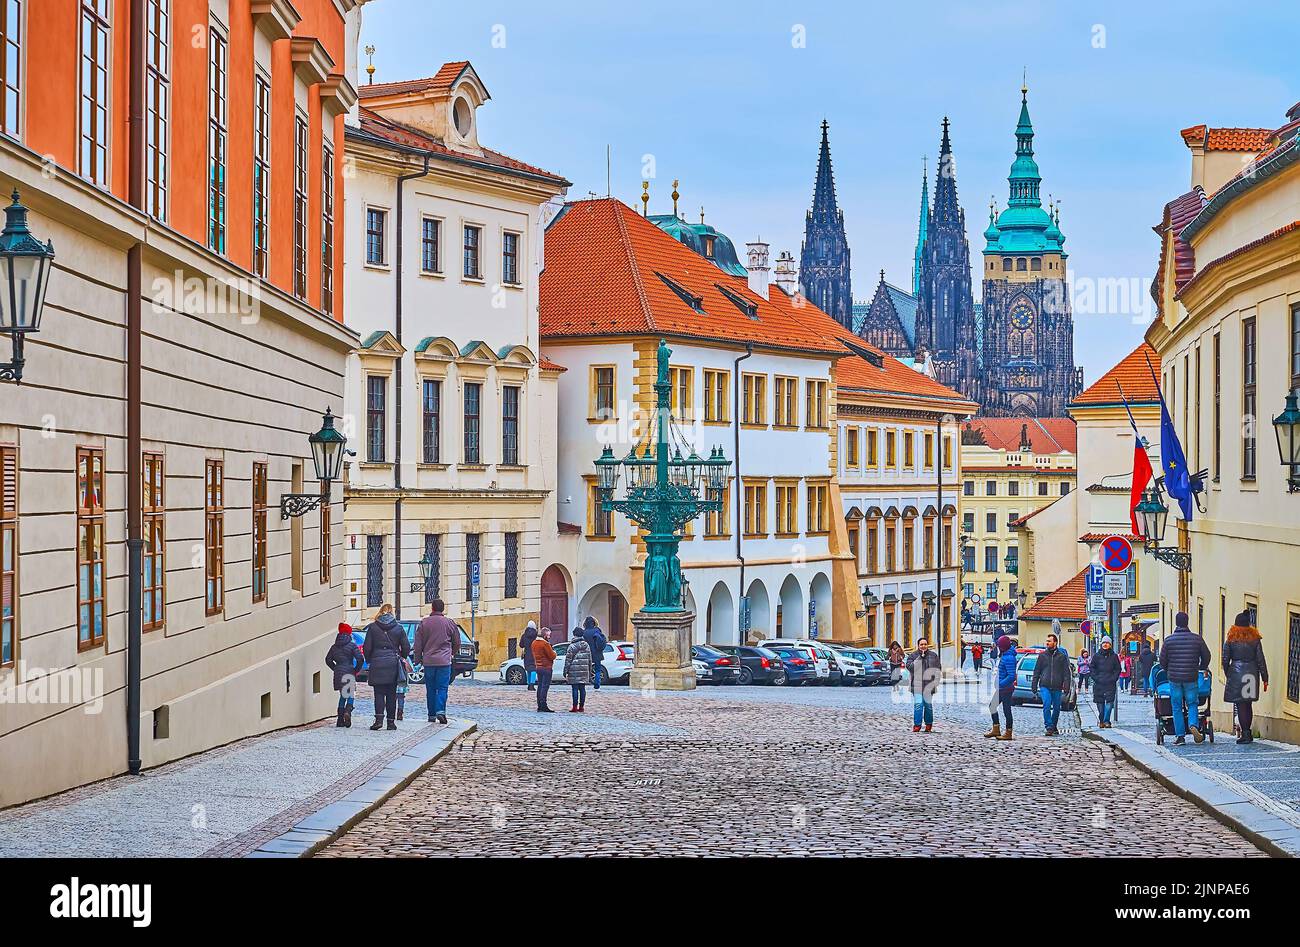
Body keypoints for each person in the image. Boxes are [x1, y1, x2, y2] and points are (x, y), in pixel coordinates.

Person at [1161, 611, 1212, 745]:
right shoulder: (1197, 639)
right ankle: (1193, 724)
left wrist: (1168, 671)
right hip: (1191, 676)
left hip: (1174, 678)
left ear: (1176, 623)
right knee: (1192, 703)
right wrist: (1201, 666)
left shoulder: (1168, 640)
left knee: (1176, 706)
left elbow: (1162, 661)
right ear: (1187, 622)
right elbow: (1207, 655)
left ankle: (1180, 736)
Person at [362, 603, 410, 731]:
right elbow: (406, 647)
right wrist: (402, 656)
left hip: (377, 662)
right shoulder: (398, 628)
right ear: (392, 613)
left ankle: (378, 720)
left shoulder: (372, 628)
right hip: (393, 663)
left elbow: (367, 647)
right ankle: (390, 722)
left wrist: (370, 660)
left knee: (378, 693)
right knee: (391, 694)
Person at [1223, 611, 1268, 744]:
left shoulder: (1231, 639)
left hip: (1237, 674)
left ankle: (1246, 734)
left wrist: (1229, 674)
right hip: (1251, 674)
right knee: (1247, 704)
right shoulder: (1255, 640)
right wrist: (1265, 677)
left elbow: (1225, 660)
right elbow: (1261, 660)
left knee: (1241, 704)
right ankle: (1247, 732)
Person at [412, 599, 458, 724]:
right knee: (442, 687)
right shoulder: (449, 623)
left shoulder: (424, 623)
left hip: (429, 661)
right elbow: (457, 642)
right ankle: (441, 711)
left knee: (430, 688)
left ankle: (431, 714)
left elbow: (418, 644)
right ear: (443, 609)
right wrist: (451, 653)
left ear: (432, 608)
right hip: (444, 661)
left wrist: (418, 660)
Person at [1031, 633, 1071, 736]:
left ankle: (1053, 725)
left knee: (1057, 708)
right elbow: (1037, 671)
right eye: (1047, 641)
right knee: (1047, 704)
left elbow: (1066, 673)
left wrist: (1066, 686)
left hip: (1057, 686)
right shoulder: (1042, 656)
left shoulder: (1062, 657)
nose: (1047, 643)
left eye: (1049, 641)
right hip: (1045, 685)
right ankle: (1049, 726)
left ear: (1055, 642)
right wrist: (1034, 685)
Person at [325, 622, 363, 728]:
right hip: (349, 671)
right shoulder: (352, 645)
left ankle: (340, 720)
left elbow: (328, 659)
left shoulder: (334, 646)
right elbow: (360, 658)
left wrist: (335, 668)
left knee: (342, 695)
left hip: (338, 671)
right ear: (349, 634)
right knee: (350, 694)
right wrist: (356, 670)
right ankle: (348, 711)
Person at [905, 637, 942, 732]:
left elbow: (938, 669)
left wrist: (936, 682)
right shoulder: (913, 656)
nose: (923, 646)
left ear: (927, 645)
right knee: (918, 704)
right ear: (918, 646)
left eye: (925, 644)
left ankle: (928, 724)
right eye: (921, 644)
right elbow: (910, 667)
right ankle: (917, 725)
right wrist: (919, 658)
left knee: (928, 706)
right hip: (917, 685)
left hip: (929, 686)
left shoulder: (933, 655)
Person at [1091, 636, 1122, 728]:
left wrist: (1113, 678)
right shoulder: (1096, 656)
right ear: (1101, 644)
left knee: (1109, 702)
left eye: (1107, 643)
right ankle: (1101, 720)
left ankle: (1106, 720)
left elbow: (1117, 669)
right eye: (1104, 643)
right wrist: (1096, 678)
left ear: (1110, 645)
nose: (1105, 644)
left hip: (1110, 683)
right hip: (1099, 683)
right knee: (1099, 702)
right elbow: (1092, 668)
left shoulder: (1114, 656)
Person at [993, 634, 1017, 741]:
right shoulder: (1005, 655)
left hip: (1006, 688)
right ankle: (996, 729)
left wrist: (1001, 684)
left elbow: (1011, 676)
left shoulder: (1009, 657)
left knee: (1007, 710)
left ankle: (1008, 732)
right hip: (1002, 688)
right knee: (992, 706)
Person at [564, 625, 593, 712]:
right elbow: (590, 659)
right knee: (582, 689)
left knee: (575, 689)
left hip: (574, 670)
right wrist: (589, 670)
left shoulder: (572, 646)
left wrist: (565, 671)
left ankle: (574, 707)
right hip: (584, 670)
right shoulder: (586, 645)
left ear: (574, 635)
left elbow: (568, 660)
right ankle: (581, 707)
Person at [531, 627, 557, 712]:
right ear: (545, 635)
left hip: (538, 667)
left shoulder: (534, 643)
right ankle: (543, 705)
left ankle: (539, 704)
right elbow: (552, 656)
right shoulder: (545, 644)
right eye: (549, 635)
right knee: (545, 687)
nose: (549, 637)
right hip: (546, 667)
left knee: (540, 686)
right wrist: (554, 653)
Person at [583, 617, 608, 689]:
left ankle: (585, 682)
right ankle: (597, 684)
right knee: (597, 669)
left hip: (587, 653)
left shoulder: (584, 632)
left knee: (586, 669)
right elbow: (602, 641)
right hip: (597, 653)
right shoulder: (597, 630)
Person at [520, 620, 539, 690]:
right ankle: (532, 684)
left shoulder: (524, 635)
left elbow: (521, 645)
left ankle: (528, 684)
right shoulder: (536, 635)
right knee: (534, 669)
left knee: (528, 669)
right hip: (534, 654)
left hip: (527, 654)